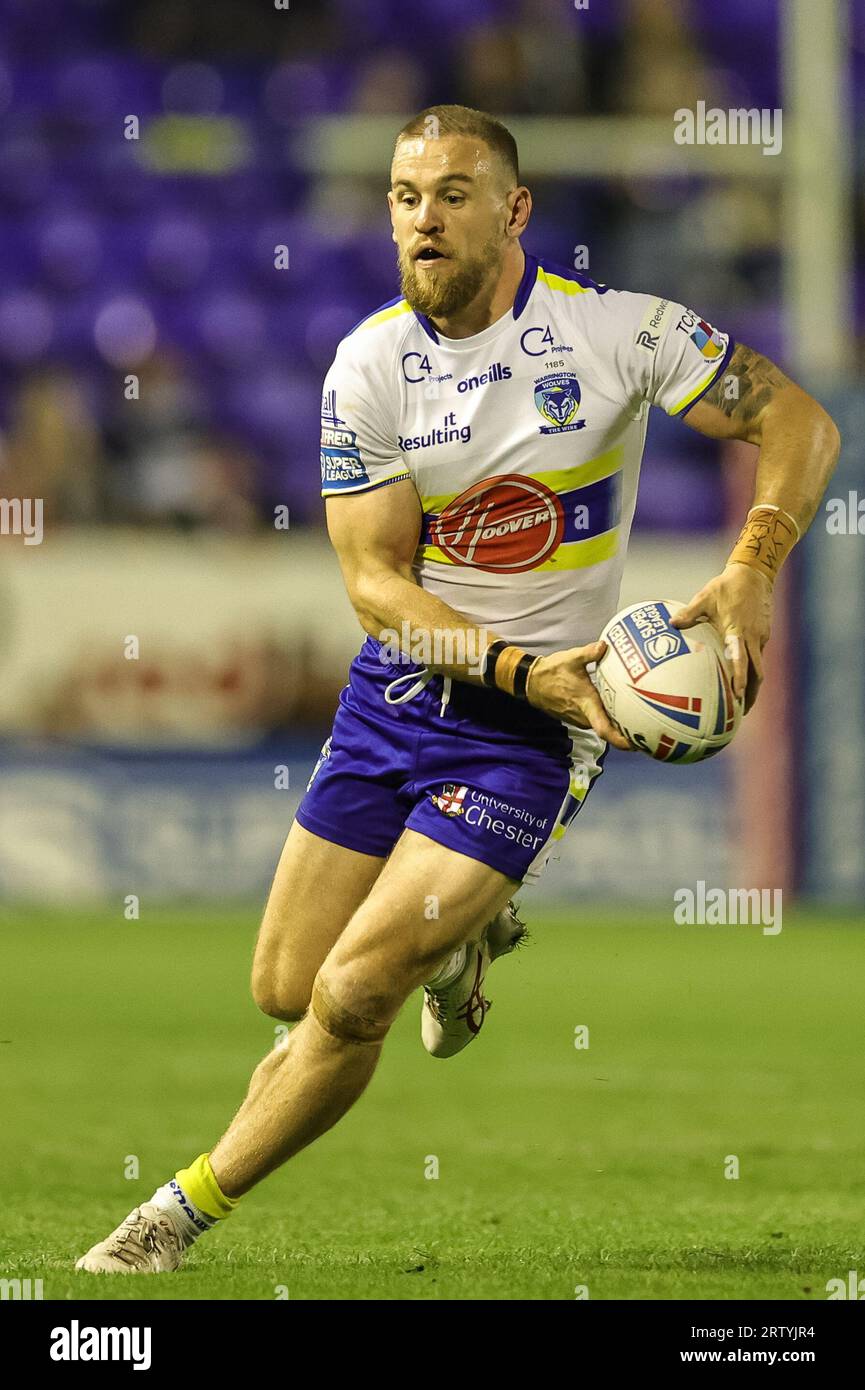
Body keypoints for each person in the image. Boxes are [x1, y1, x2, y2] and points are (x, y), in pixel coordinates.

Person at [76, 105, 839, 1273]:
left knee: (350, 994)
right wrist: (509, 664)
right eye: (402, 196)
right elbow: (375, 587)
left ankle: (171, 1217)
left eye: (450, 194)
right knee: (281, 985)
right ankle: (464, 941)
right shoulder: (368, 364)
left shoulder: (618, 336)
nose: (420, 220)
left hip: (532, 737)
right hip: (400, 696)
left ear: (515, 210)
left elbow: (799, 420)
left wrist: (752, 565)